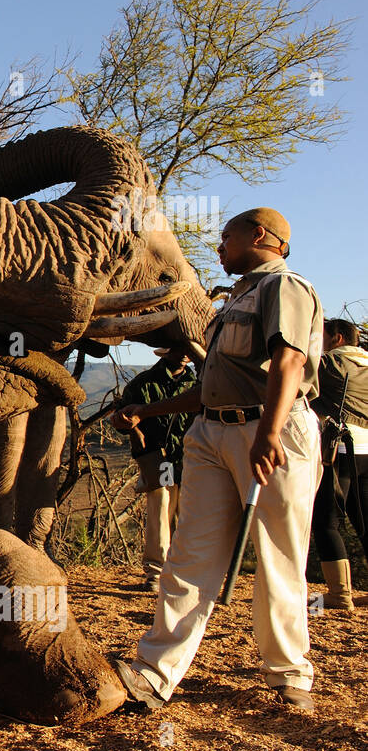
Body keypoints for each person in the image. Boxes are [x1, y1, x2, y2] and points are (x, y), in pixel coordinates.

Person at [112, 207, 323, 712]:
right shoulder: (233, 302)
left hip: (269, 429)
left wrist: (269, 433)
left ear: (261, 236)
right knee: (189, 553)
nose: (220, 246)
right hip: (211, 432)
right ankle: (155, 671)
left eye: (226, 237)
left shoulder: (285, 287)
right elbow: (210, 386)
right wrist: (148, 409)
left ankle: (289, 673)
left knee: (277, 553)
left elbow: (289, 360)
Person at [117, 351, 196, 590]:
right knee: (161, 504)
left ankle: (186, 572)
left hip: (191, 455)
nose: (183, 356)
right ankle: (156, 573)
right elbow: (122, 417)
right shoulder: (143, 382)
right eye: (178, 349)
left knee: (189, 512)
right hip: (159, 455)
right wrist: (133, 430)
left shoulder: (197, 383)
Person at [309, 317, 368, 610]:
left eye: (324, 334)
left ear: (338, 338)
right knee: (364, 521)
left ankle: (339, 594)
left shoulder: (329, 364)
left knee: (326, 521)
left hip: (340, 449)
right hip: (367, 449)